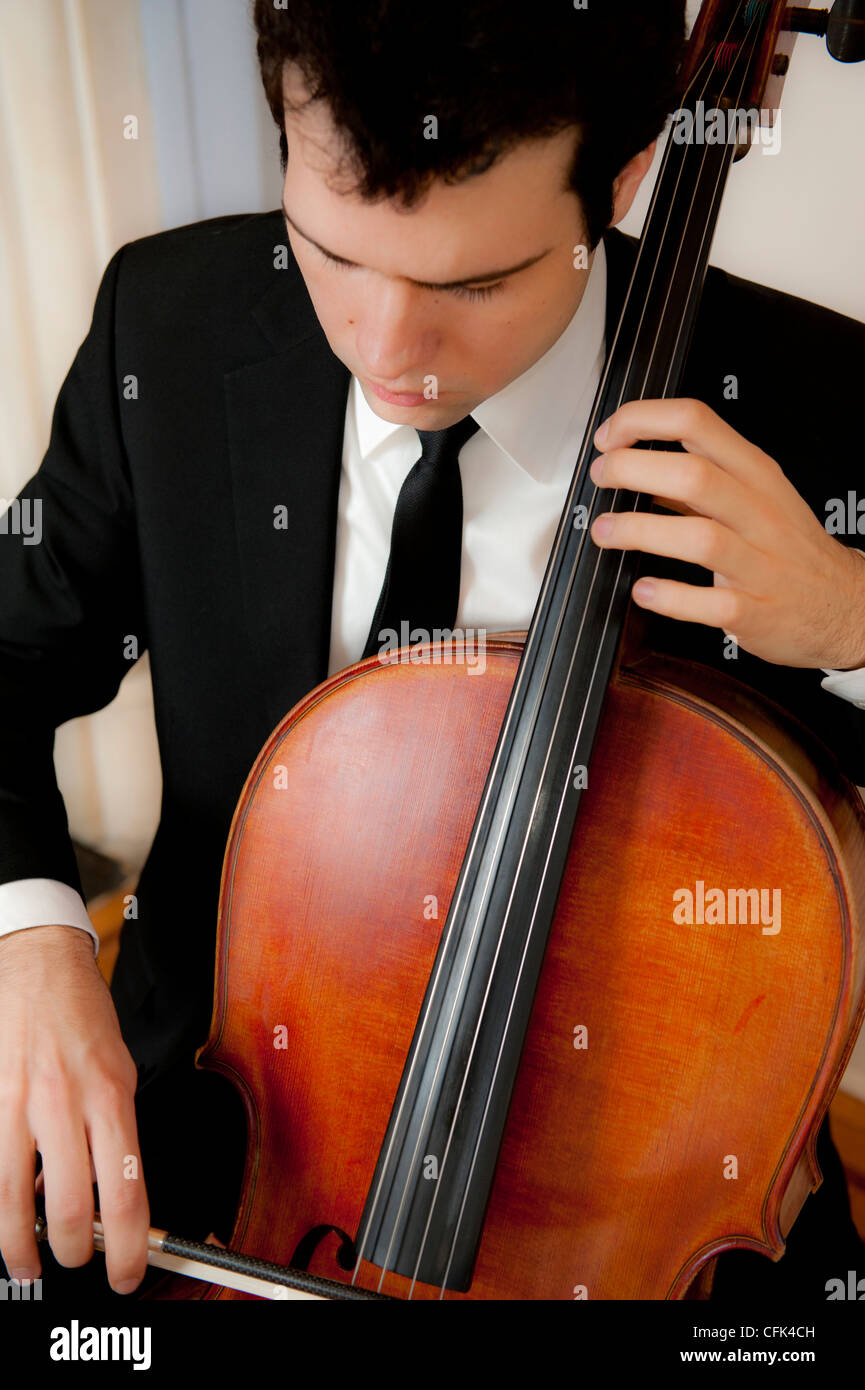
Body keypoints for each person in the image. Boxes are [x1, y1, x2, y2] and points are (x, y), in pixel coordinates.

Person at [0, 0, 863, 1304]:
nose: (386, 351)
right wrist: (32, 945)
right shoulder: (166, 325)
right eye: (335, 252)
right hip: (217, 1156)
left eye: (474, 283)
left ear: (622, 175)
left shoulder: (813, 392)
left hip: (655, 1216)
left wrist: (850, 620)